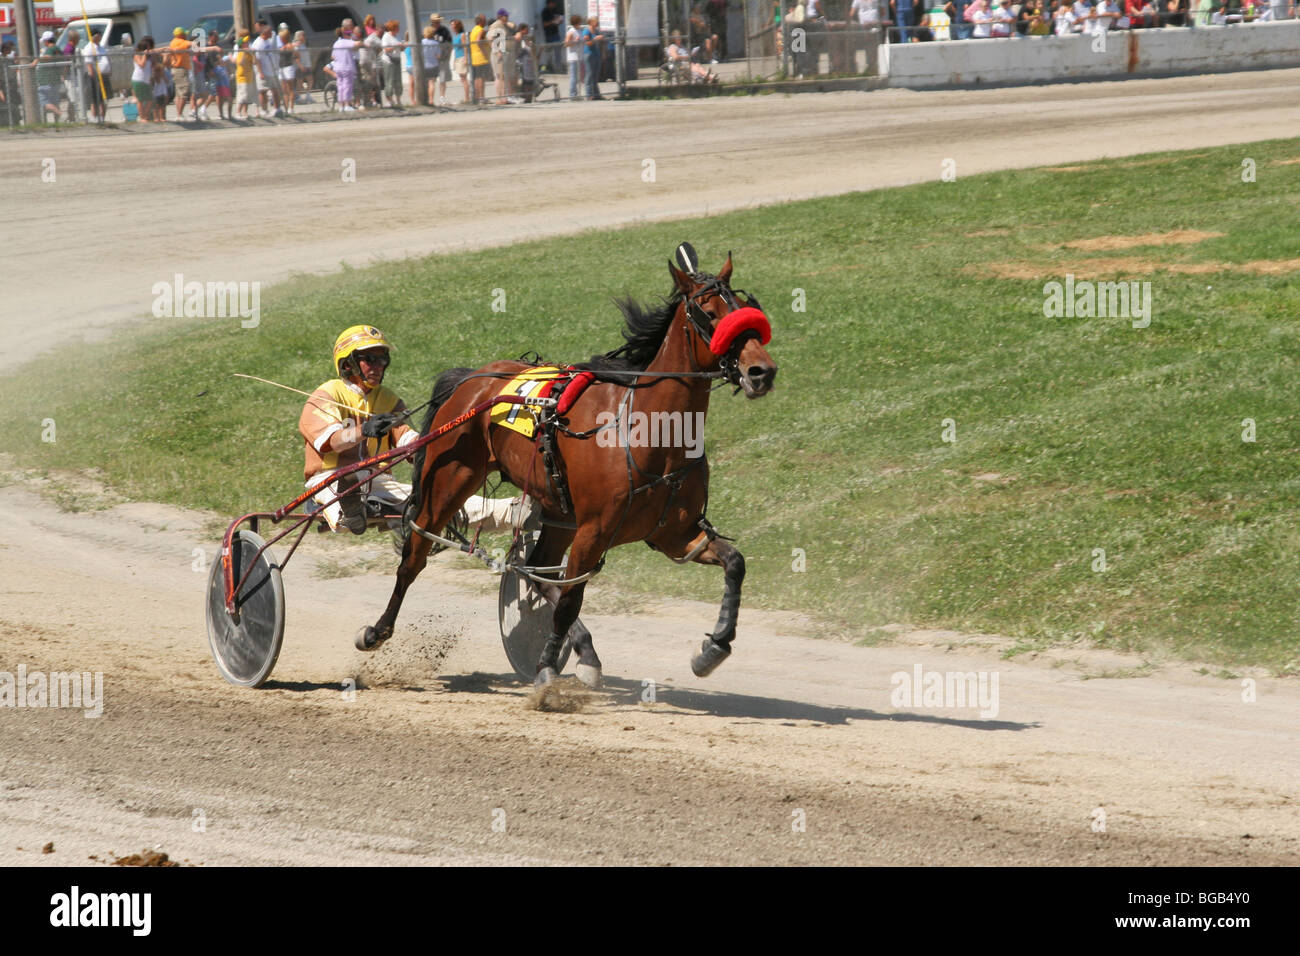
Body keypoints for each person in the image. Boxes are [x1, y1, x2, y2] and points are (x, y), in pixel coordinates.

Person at [300, 326, 535, 536]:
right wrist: (366, 430)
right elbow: (329, 441)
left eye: (383, 359)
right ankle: (352, 508)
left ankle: (513, 511)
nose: (377, 366)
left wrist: (432, 441)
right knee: (344, 504)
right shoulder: (327, 394)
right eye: (369, 359)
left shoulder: (388, 399)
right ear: (347, 363)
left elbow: (407, 440)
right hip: (329, 479)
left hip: (377, 482)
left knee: (440, 499)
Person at [250, 21, 284, 117]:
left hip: (272, 70)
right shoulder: (258, 43)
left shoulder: (268, 40)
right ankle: (264, 110)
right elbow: (257, 60)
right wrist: (261, 72)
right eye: (269, 33)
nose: (271, 34)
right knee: (263, 91)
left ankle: (277, 109)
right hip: (263, 71)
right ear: (265, 33)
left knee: (275, 90)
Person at [82, 29, 111, 124]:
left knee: (105, 98)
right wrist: (93, 77)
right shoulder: (89, 47)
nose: (99, 37)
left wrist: (110, 70)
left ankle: (102, 118)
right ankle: (95, 118)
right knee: (95, 99)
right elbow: (88, 63)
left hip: (104, 75)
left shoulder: (100, 47)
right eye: (98, 35)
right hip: (96, 76)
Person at [330, 26, 361, 111]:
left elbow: (333, 56)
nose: (350, 35)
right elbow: (357, 44)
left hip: (338, 68)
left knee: (340, 87)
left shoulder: (336, 43)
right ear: (345, 34)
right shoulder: (346, 42)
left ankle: (341, 106)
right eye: (349, 33)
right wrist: (357, 39)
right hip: (347, 67)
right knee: (347, 86)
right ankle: (347, 105)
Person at [487, 9, 513, 105]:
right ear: (500, 16)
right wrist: (497, 51)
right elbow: (490, 38)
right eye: (505, 16)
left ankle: (504, 98)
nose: (507, 17)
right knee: (499, 76)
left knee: (503, 76)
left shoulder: (504, 25)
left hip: (502, 54)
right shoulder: (497, 24)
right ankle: (499, 98)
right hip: (497, 55)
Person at [131, 37, 155, 123]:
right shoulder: (137, 55)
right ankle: (142, 117)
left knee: (149, 99)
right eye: (147, 48)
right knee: (140, 100)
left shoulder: (149, 57)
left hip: (146, 81)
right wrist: (144, 55)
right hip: (138, 79)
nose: (148, 50)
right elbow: (141, 64)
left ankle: (145, 115)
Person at [430, 15, 452, 104]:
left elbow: (450, 44)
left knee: (442, 79)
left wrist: (446, 56)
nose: (438, 23)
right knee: (431, 79)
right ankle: (430, 99)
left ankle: (442, 97)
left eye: (439, 21)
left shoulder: (444, 30)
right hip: (432, 60)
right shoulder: (429, 30)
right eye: (436, 21)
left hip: (442, 59)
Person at [469, 14, 490, 104]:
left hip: (474, 57)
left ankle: (478, 97)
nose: (486, 21)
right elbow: (478, 41)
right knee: (481, 78)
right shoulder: (481, 30)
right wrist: (484, 52)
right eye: (484, 20)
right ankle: (482, 97)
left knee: (477, 78)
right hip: (481, 57)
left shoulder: (474, 30)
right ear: (480, 21)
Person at [581, 16, 602, 100]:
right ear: (591, 22)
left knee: (595, 75)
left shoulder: (596, 30)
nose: (597, 23)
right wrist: (595, 39)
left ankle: (596, 94)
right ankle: (589, 95)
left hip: (596, 54)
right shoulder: (586, 30)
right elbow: (587, 43)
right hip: (589, 54)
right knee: (589, 75)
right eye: (596, 21)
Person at [540, 0, 564, 72]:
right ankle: (548, 67)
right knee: (548, 52)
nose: (554, 5)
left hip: (555, 33)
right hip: (549, 34)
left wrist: (559, 21)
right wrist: (552, 21)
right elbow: (544, 24)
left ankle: (558, 68)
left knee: (557, 52)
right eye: (553, 3)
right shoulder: (545, 11)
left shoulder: (554, 10)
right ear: (549, 3)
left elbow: (558, 20)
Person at [451, 19, 470, 103]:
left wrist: (466, 58)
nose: (452, 27)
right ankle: (466, 96)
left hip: (462, 57)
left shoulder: (462, 35)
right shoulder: (455, 36)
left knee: (464, 78)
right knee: (462, 78)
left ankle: (467, 97)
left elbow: (465, 47)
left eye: (453, 25)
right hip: (457, 58)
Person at [564, 13, 583, 99]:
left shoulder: (579, 30)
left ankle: (577, 93)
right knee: (573, 77)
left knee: (579, 76)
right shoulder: (571, 31)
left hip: (579, 56)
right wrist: (575, 41)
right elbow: (566, 43)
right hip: (573, 57)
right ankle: (572, 94)